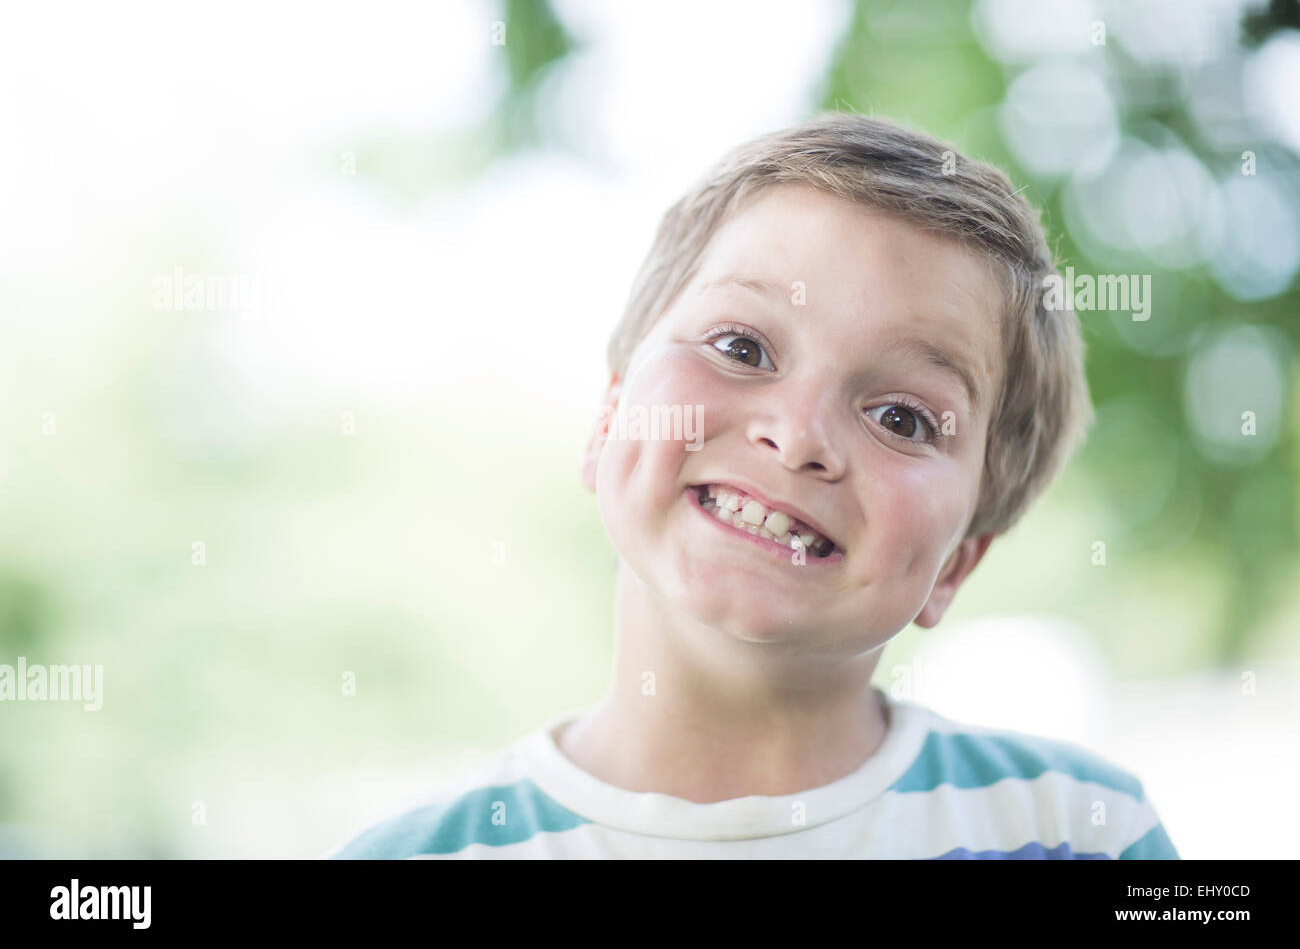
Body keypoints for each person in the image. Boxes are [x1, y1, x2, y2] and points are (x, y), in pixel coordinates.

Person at [326, 112, 1179, 859]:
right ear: (606, 423)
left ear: (957, 563)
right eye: (741, 348)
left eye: (904, 419)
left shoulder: (1088, 832)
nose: (799, 433)